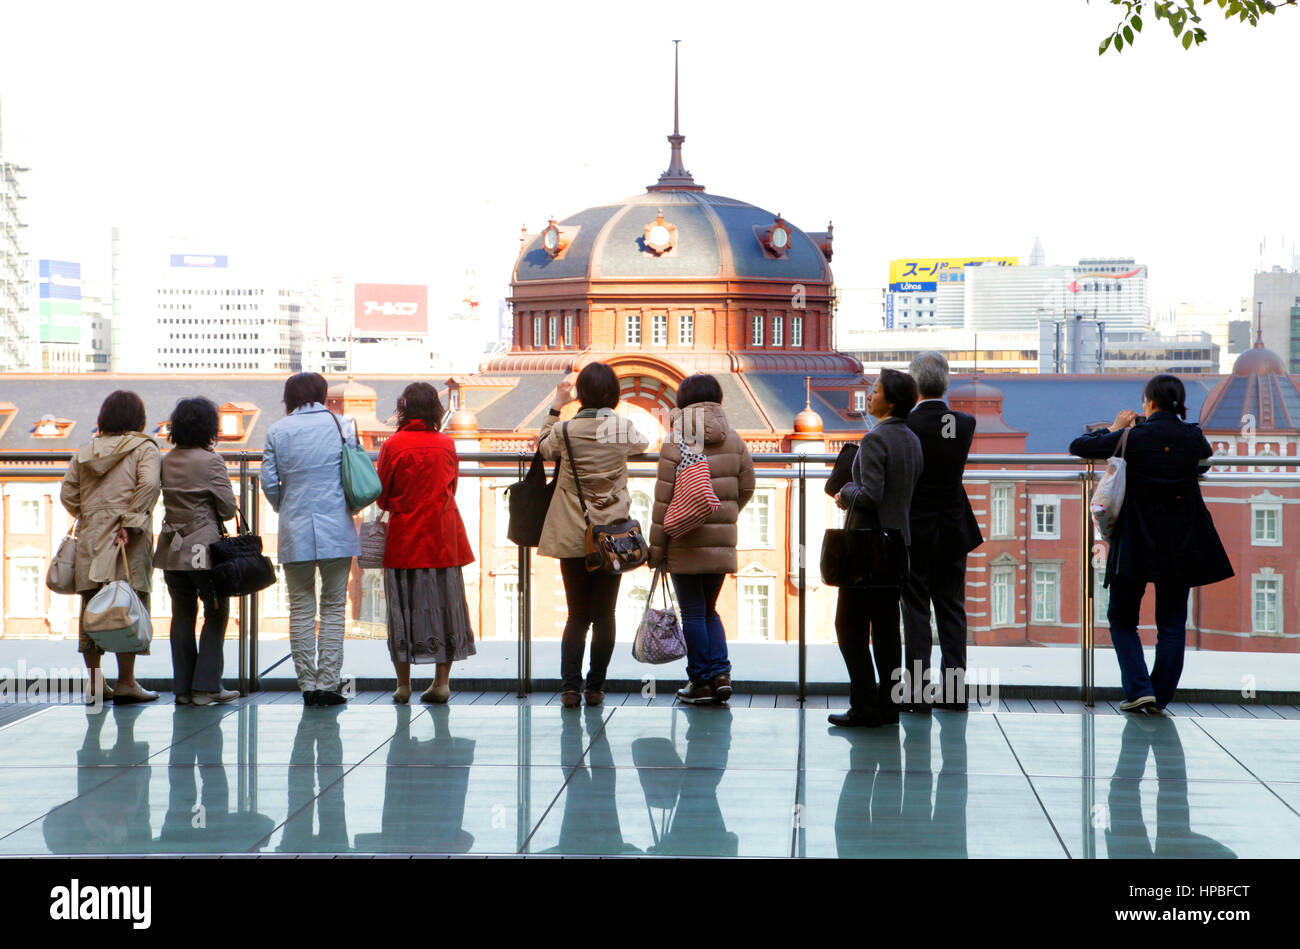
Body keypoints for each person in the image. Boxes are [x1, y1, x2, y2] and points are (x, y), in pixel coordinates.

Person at [1070, 373, 1232, 714]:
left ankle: (1138, 688)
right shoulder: (1192, 436)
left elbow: (1079, 447)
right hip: (1183, 541)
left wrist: (1114, 428)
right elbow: (1205, 455)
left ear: (1150, 403)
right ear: (1180, 404)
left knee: (1122, 618)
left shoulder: (1131, 437)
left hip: (1136, 542)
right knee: (1172, 623)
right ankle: (1159, 695)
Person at [538, 362, 649, 708]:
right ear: (614, 395)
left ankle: (570, 688)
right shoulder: (621, 429)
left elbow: (542, 447)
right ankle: (595, 688)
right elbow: (643, 446)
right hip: (612, 538)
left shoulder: (567, 431)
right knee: (605, 615)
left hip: (573, 533)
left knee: (576, 615)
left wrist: (557, 405)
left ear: (581, 395)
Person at [648, 373, 755, 705]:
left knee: (693, 612)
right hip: (722, 540)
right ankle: (721, 674)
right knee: (710, 609)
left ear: (682, 402)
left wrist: (656, 549)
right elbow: (747, 486)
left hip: (684, 540)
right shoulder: (735, 440)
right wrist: (724, 511)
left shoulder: (675, 440)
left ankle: (701, 683)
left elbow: (663, 501)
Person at [260, 372, 361, 706]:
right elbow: (353, 471)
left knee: (301, 608)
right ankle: (329, 683)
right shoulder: (343, 426)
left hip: (296, 528)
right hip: (336, 528)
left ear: (289, 397)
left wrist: (285, 507)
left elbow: (269, 483)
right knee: (334, 607)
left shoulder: (277, 431)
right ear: (323, 393)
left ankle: (306, 684)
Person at [829, 369, 923, 728]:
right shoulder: (912, 439)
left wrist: (845, 492)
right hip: (899, 544)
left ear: (892, 401)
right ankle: (888, 704)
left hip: (866, 547)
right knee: (886, 630)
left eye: (877, 390)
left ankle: (864, 704)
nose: (870, 394)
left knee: (849, 627)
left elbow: (870, 494)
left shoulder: (874, 439)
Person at [376, 382, 477, 704]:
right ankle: (441, 682)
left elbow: (382, 497)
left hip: (405, 538)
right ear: (436, 409)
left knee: (402, 609)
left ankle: (403, 684)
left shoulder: (393, 445)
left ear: (403, 408)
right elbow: (452, 487)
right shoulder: (446, 444)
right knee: (445, 607)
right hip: (443, 537)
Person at [60, 390, 162, 705]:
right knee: (126, 606)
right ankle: (127, 682)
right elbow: (149, 484)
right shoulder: (145, 448)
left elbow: (67, 492)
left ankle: (94, 683)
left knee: (93, 606)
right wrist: (129, 520)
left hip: (92, 537)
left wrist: (89, 514)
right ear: (139, 419)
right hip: (127, 539)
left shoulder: (85, 450)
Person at [901, 352, 983, 712]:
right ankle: (954, 691)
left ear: (913, 385)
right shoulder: (963, 422)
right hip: (952, 527)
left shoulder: (904, 425)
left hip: (915, 527)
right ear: (946, 384)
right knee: (951, 608)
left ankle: (917, 692)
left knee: (916, 610)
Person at [155, 397, 240, 706]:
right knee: (216, 612)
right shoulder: (212, 461)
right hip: (203, 550)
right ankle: (206, 687)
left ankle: (183, 689)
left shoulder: (166, 460)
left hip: (171, 550)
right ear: (210, 428)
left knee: (182, 615)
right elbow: (228, 509)